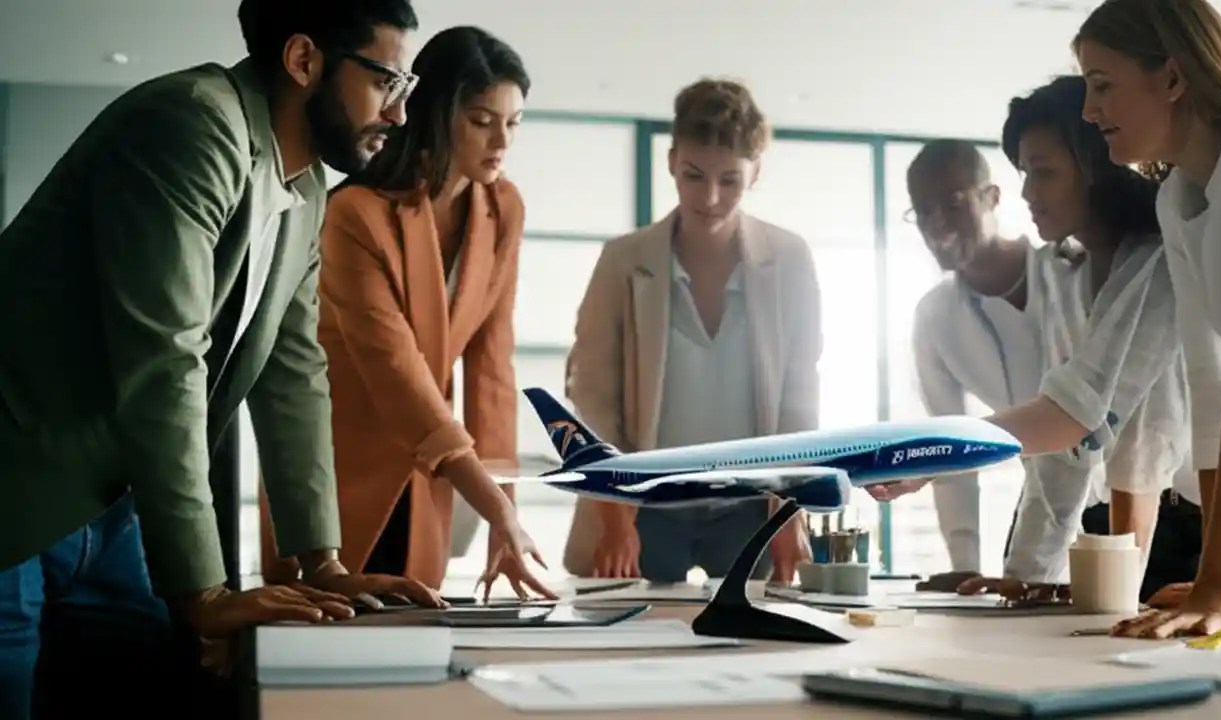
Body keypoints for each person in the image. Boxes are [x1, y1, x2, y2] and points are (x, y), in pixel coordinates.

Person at [0, 1, 445, 717]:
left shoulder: (304, 191)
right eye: (389, 81)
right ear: (304, 61)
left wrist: (321, 561)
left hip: (112, 505)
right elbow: (164, 362)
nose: (397, 114)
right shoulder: (192, 124)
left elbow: (293, 372)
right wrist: (204, 592)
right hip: (17, 488)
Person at [260, 26, 554, 602]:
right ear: (437, 113)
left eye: (513, 123)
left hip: (432, 476)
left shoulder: (504, 208)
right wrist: (493, 506)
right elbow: (396, 373)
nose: (501, 141)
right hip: (340, 473)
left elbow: (493, 372)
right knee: (330, 650)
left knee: (417, 638)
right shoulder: (354, 214)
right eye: (481, 120)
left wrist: (506, 521)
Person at [1073, 0, 1221, 637]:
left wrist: (1220, 582)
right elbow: (1211, 381)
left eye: (1102, 85)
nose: (1089, 111)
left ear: (1171, 77)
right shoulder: (1179, 195)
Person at [560, 78, 820, 585]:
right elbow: (594, 402)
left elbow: (799, 406)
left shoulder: (789, 260)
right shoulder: (623, 260)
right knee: (631, 645)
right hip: (642, 508)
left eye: (731, 180)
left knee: (763, 648)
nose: (710, 198)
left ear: (756, 172)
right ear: (672, 160)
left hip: (750, 506)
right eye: (694, 176)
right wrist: (614, 516)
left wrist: (790, 512)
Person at [945, 75, 1189, 601]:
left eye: (1045, 173)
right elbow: (1063, 450)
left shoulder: (1161, 263)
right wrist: (1030, 576)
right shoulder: (1067, 273)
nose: (1028, 194)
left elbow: (1082, 420)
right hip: (1134, 530)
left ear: (1099, 172)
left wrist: (930, 455)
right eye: (1024, 174)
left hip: (1210, 535)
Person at [902, 139, 1108, 591]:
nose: (937, 225)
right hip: (1044, 488)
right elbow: (949, 441)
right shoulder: (935, 317)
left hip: (1130, 486)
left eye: (953, 204)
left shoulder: (1072, 269)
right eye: (923, 211)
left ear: (992, 198)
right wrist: (965, 562)